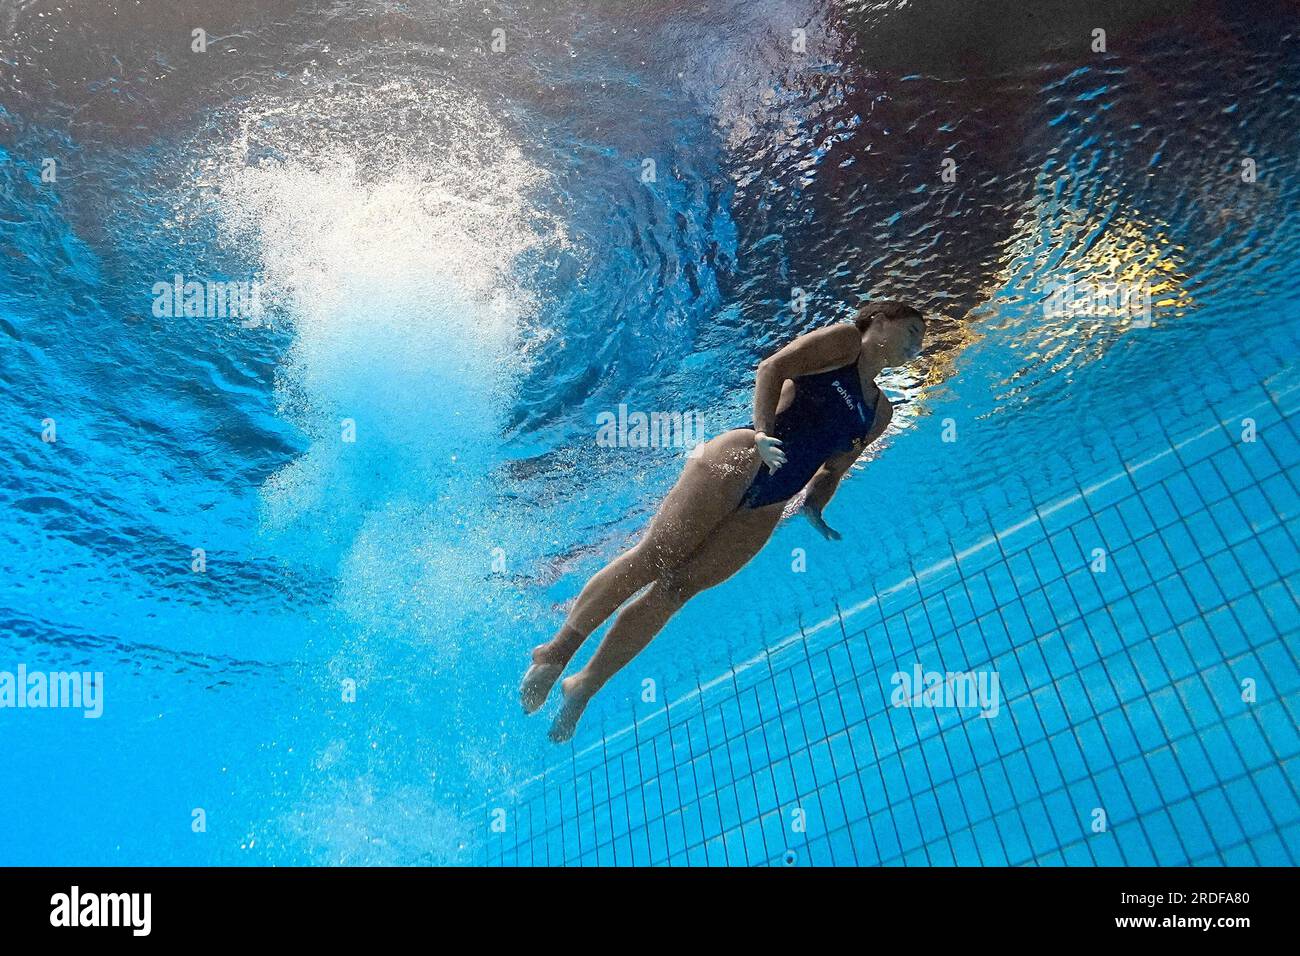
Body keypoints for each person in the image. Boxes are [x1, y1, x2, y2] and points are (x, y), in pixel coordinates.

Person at [522, 301, 926, 741]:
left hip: (771, 502)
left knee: (676, 590)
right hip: (740, 458)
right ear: (880, 321)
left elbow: (834, 469)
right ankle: (556, 652)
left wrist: (815, 507)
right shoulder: (845, 342)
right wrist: (763, 434)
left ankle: (584, 686)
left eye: (920, 341)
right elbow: (773, 368)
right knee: (654, 558)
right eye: (911, 331)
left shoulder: (880, 414)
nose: (916, 345)